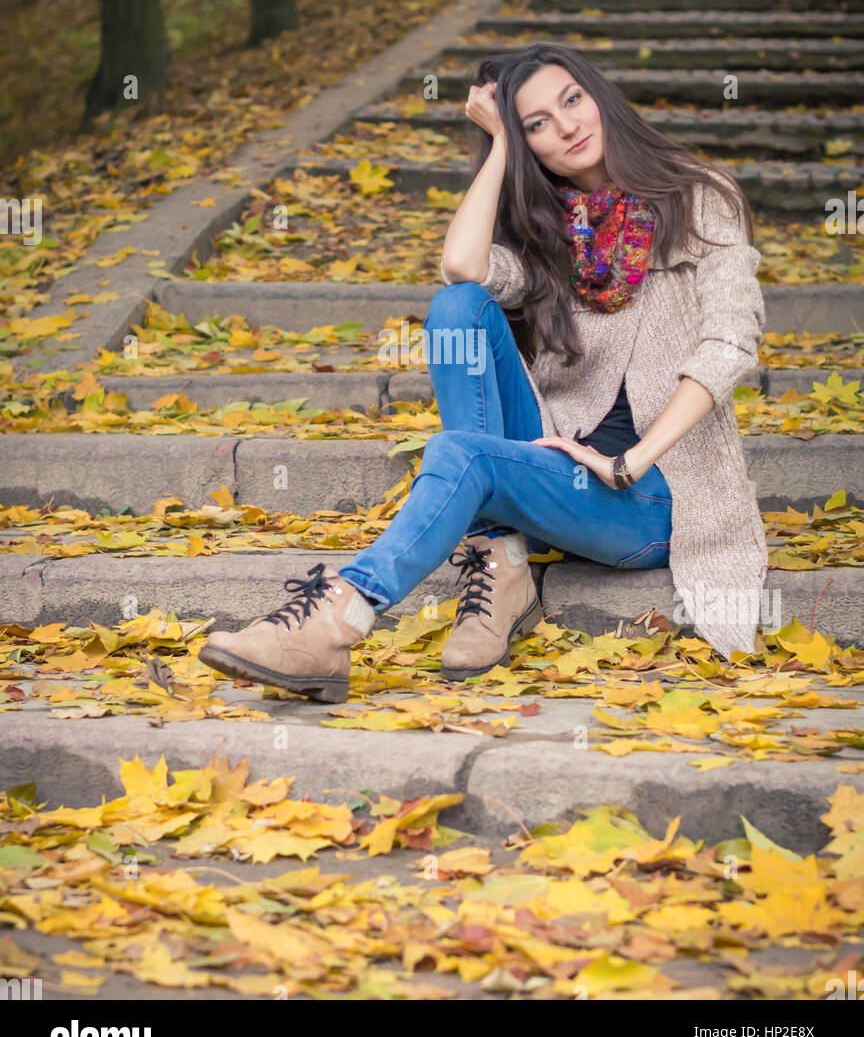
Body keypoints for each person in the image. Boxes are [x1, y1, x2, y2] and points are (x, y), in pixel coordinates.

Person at [200, 42, 769, 702]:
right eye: (536, 125)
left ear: (598, 96)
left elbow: (729, 344)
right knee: (458, 306)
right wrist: (499, 146)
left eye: (571, 100)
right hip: (553, 469)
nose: (566, 126)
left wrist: (628, 461)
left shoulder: (701, 197)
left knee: (460, 453)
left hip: (650, 501)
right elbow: (464, 267)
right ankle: (499, 557)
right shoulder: (556, 236)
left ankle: (334, 621)